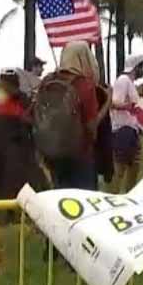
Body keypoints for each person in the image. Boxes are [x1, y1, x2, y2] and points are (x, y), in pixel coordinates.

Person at [37, 41, 110, 190]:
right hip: (80, 155)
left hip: (53, 153)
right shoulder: (85, 85)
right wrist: (107, 102)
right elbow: (91, 127)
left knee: (61, 200)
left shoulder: (47, 81)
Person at [0, 70, 47, 204]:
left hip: (17, 146)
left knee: (13, 180)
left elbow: (34, 121)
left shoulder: (24, 99)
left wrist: (24, 117)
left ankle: (11, 212)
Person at [110, 54, 143, 193]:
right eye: (142, 66)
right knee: (120, 170)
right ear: (137, 67)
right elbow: (115, 103)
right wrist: (131, 106)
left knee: (134, 168)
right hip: (123, 130)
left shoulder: (129, 83)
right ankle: (113, 198)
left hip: (131, 130)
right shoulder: (123, 80)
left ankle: (128, 197)